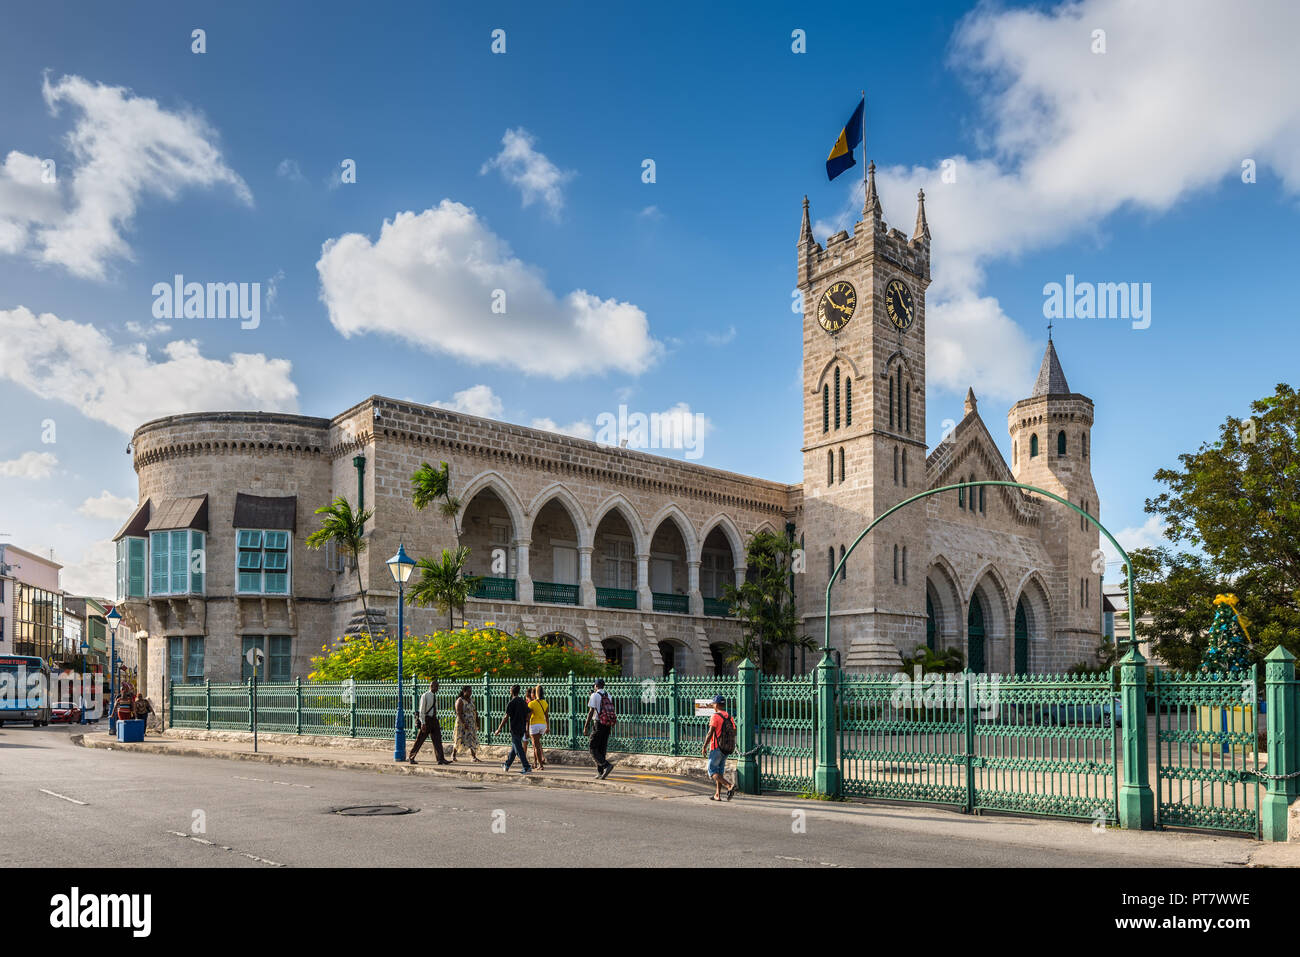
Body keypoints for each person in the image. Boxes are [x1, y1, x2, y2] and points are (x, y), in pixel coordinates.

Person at [408, 678, 451, 765]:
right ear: (431, 686)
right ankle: (411, 757)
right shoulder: (425, 695)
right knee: (420, 739)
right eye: (436, 686)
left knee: (438, 739)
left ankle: (440, 759)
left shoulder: (434, 696)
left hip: (434, 719)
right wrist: (423, 722)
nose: (437, 688)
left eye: (438, 686)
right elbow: (422, 710)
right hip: (427, 720)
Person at [703, 695, 736, 801]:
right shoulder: (729, 716)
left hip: (717, 747)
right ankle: (717, 794)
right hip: (726, 748)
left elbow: (710, 733)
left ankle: (729, 785)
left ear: (716, 704)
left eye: (713, 703)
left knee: (712, 771)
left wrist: (704, 746)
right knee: (719, 772)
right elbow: (734, 731)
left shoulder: (715, 716)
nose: (712, 705)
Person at [494, 684, 532, 774]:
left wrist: (499, 729)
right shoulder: (523, 701)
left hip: (515, 728)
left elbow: (506, 717)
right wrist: (526, 727)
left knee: (518, 748)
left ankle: (526, 767)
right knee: (515, 748)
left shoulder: (512, 702)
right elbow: (529, 713)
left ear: (512, 691)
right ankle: (507, 764)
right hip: (522, 728)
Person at [583, 678, 617, 779]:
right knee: (601, 748)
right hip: (607, 724)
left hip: (598, 723)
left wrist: (586, 726)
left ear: (596, 686)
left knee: (592, 748)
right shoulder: (608, 695)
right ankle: (600, 772)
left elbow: (591, 712)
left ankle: (606, 765)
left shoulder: (594, 695)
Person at [450, 685, 480, 762]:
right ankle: (453, 754)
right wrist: (464, 723)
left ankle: (473, 757)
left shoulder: (471, 700)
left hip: (471, 723)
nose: (470, 693)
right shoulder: (460, 700)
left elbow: (475, 711)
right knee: (459, 738)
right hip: (462, 723)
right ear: (464, 691)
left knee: (472, 739)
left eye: (471, 691)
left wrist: (477, 722)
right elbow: (458, 713)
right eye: (469, 691)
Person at [527, 684, 549, 770]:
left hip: (534, 725)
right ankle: (535, 763)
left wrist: (526, 729)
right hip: (542, 725)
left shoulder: (531, 704)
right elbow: (547, 716)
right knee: (536, 744)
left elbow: (528, 717)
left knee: (535, 746)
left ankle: (540, 765)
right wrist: (548, 727)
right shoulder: (545, 703)